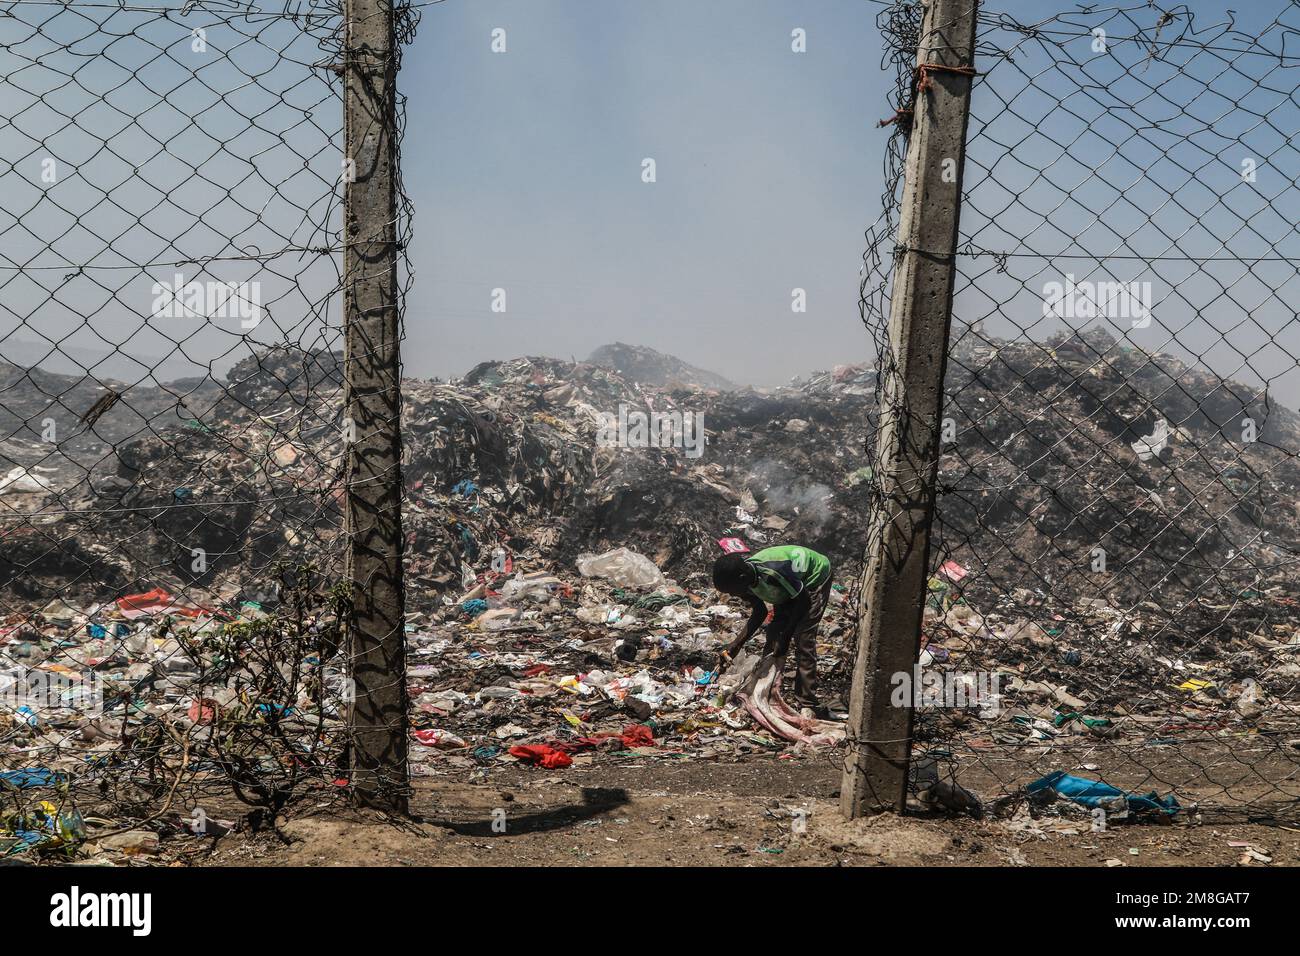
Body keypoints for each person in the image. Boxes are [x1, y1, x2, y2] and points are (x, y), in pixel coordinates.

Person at [712, 544, 835, 718]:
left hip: (813, 578)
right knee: (773, 634)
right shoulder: (745, 580)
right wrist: (736, 644)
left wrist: (786, 636)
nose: (733, 595)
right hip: (788, 589)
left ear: (742, 578)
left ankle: (809, 703)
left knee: (803, 637)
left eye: (732, 591)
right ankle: (765, 692)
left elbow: (803, 601)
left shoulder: (773, 573)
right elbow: (760, 612)